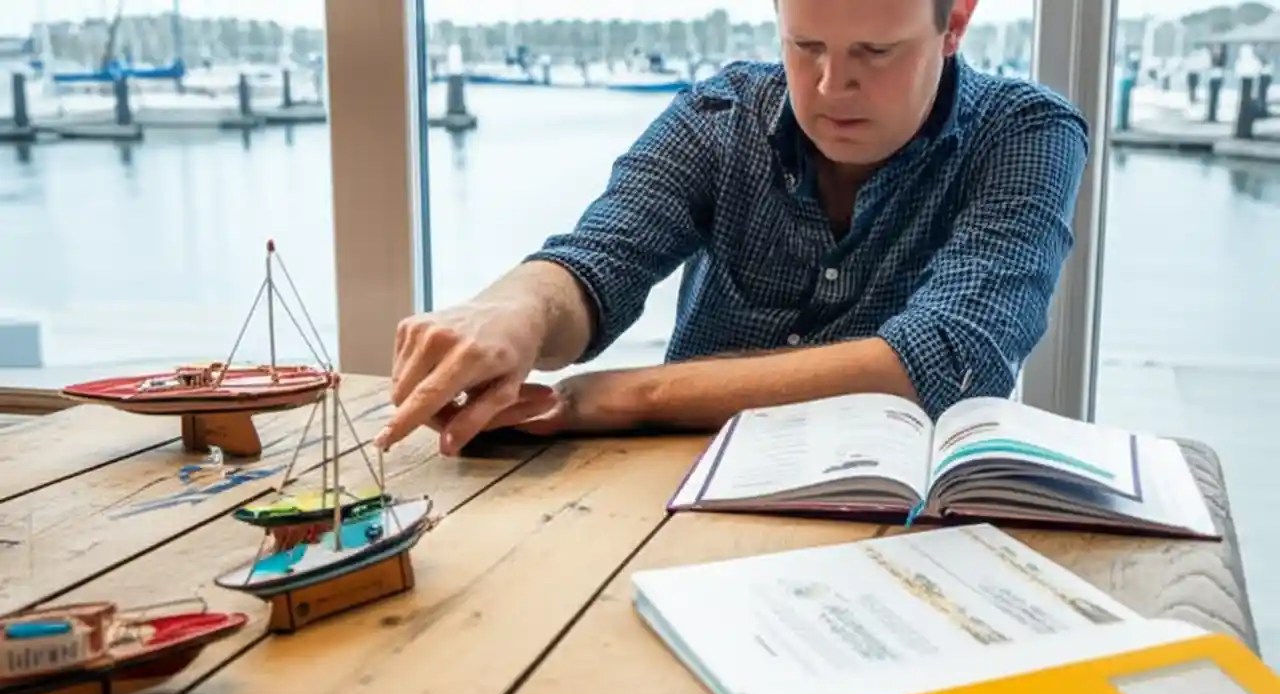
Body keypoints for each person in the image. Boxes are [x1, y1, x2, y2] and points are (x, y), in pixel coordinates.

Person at [376, 0, 1089, 456]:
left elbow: (952, 362)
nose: (830, 86)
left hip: (898, 525)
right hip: (663, 500)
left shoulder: (1026, 132)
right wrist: (515, 311)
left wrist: (621, 397)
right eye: (804, 45)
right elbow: (599, 261)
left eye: (875, 53)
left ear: (955, 23)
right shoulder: (720, 116)